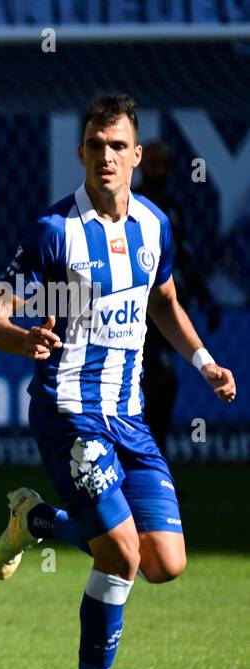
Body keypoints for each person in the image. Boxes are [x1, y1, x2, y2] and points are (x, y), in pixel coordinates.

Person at [0, 95, 236, 669]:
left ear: (138, 155)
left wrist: (204, 362)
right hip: (68, 414)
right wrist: (24, 337)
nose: (106, 156)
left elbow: (165, 302)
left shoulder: (154, 225)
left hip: (130, 418)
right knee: (118, 553)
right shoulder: (54, 232)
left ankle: (33, 518)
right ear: (81, 153)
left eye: (118, 146)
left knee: (164, 563)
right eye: (95, 145)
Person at [133, 139, 224, 451]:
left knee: (161, 384)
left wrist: (205, 298)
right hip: (134, 310)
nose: (159, 171)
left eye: (165, 165)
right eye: (153, 164)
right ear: (141, 165)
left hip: (164, 308)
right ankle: (145, 462)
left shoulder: (171, 212)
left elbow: (183, 258)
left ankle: (151, 462)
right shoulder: (129, 205)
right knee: (155, 383)